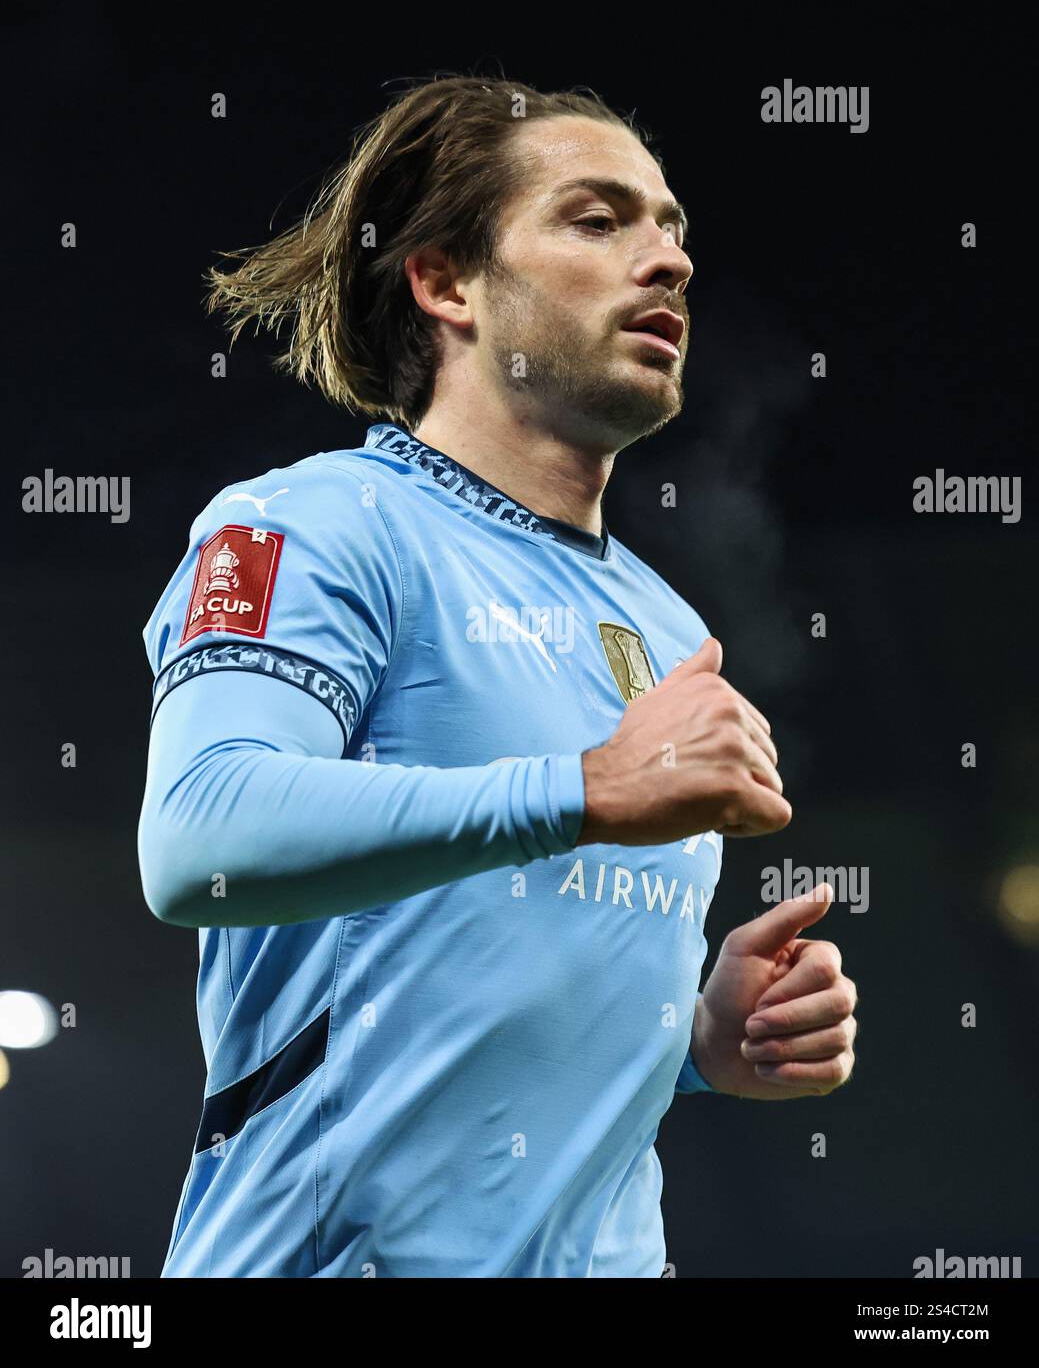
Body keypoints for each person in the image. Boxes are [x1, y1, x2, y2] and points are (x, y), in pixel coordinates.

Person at [139, 74, 858, 1278]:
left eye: (672, 227)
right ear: (443, 281)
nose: (667, 260)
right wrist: (580, 787)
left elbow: (480, 977)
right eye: (597, 218)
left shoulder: (660, 621)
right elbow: (196, 837)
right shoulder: (312, 525)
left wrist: (694, 1039)